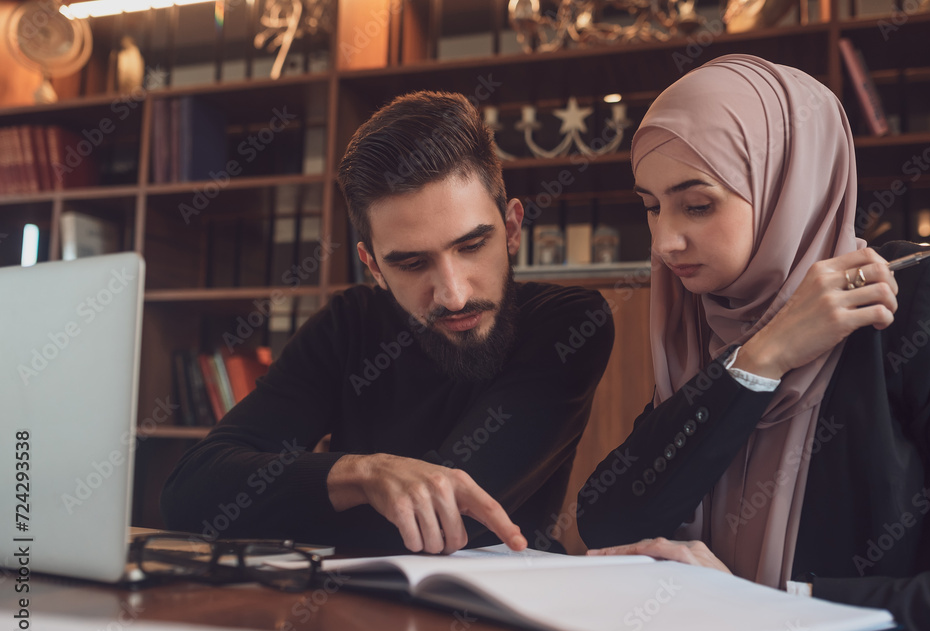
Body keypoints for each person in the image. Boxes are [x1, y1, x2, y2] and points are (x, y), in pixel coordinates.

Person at [577, 55, 930, 631]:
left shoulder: (923, 300)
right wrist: (764, 355)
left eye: (696, 205)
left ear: (789, 184)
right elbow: (610, 521)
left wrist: (767, 615)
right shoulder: (703, 322)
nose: (665, 241)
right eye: (651, 206)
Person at [161, 91, 614, 555]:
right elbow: (191, 494)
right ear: (373, 266)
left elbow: (448, 521)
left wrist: (299, 500)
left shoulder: (567, 325)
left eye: (472, 246)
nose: (453, 294)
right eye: (412, 264)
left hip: (505, 616)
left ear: (512, 228)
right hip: (353, 606)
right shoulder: (348, 324)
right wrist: (364, 473)